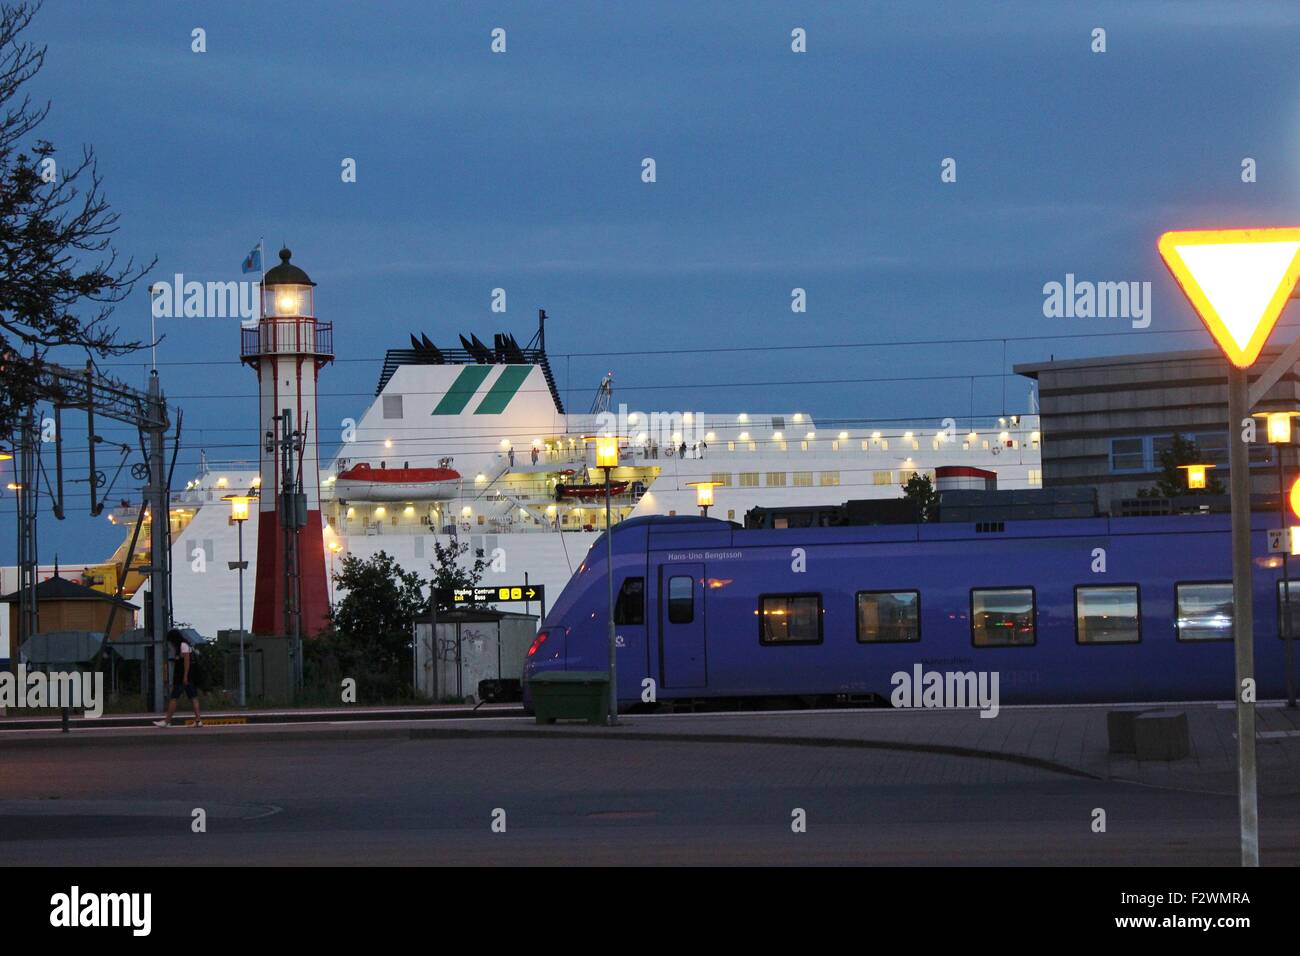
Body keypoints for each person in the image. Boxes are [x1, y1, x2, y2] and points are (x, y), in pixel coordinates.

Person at [153, 629, 203, 727]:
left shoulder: (183, 646)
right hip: (187, 676)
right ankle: (198, 720)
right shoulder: (184, 646)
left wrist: (185, 676)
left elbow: (186, 662)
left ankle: (167, 721)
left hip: (182, 677)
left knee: (174, 698)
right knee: (193, 697)